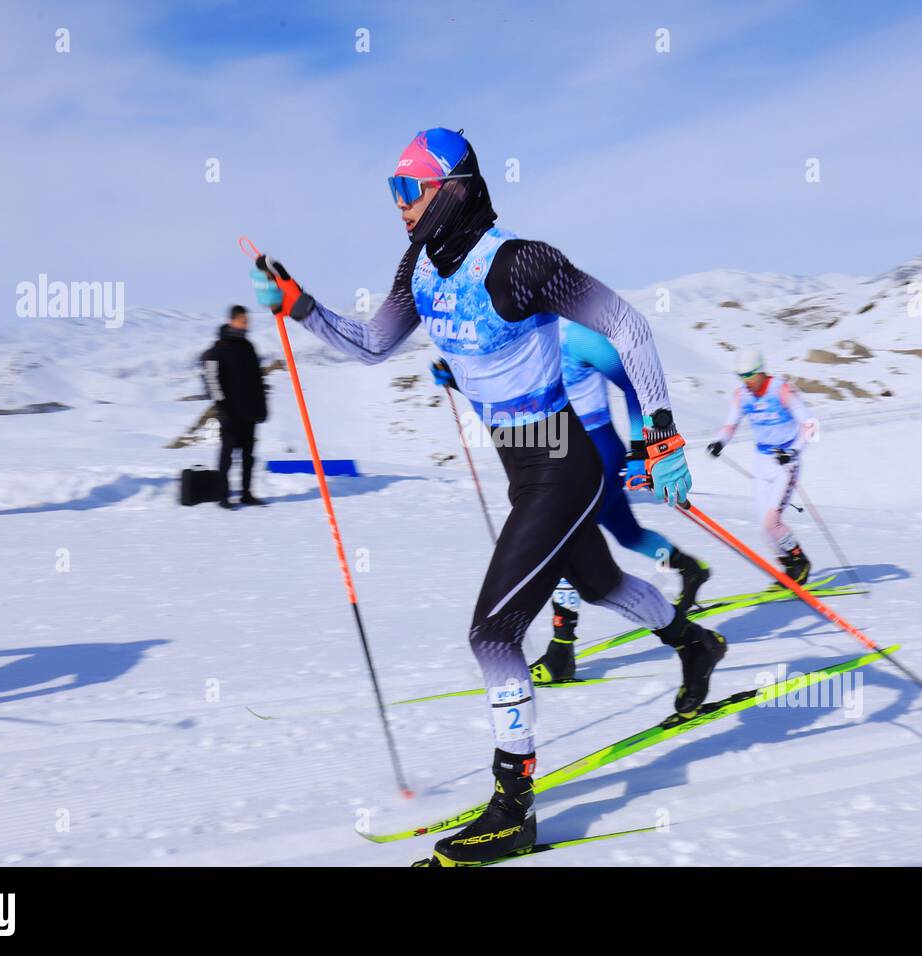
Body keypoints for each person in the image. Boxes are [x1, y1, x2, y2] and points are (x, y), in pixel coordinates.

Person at [250, 127, 726, 865]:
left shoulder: (521, 262)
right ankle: (696, 643)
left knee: (492, 633)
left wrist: (661, 432)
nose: (400, 206)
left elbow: (627, 325)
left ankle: (513, 808)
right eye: (393, 191)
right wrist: (301, 305)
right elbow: (374, 343)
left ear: (456, 188)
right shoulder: (422, 269)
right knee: (598, 584)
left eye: (410, 190)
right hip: (523, 466)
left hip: (564, 462)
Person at [431, 323, 713, 683]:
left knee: (563, 543)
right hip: (556, 450)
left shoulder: (574, 335)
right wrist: (459, 379)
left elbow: (632, 383)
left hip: (597, 449)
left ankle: (562, 649)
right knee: (627, 535)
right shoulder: (517, 337)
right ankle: (689, 569)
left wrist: (639, 450)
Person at [706, 348, 813, 583]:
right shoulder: (741, 395)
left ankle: (800, 561)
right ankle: (789, 570)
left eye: (748, 376)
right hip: (761, 463)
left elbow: (809, 425)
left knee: (771, 521)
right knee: (764, 530)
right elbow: (730, 425)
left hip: (786, 463)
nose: (745, 382)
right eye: (740, 376)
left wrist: (793, 451)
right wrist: (719, 443)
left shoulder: (781, 390)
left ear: (761, 372)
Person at [202, 306, 268, 508]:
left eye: (247, 321)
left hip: (249, 412)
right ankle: (223, 496)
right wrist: (222, 405)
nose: (246, 325)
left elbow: (257, 380)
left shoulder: (249, 347)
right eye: (242, 321)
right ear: (232, 321)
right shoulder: (218, 349)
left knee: (249, 456)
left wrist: (262, 407)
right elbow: (211, 380)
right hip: (230, 412)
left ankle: (246, 494)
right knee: (227, 455)